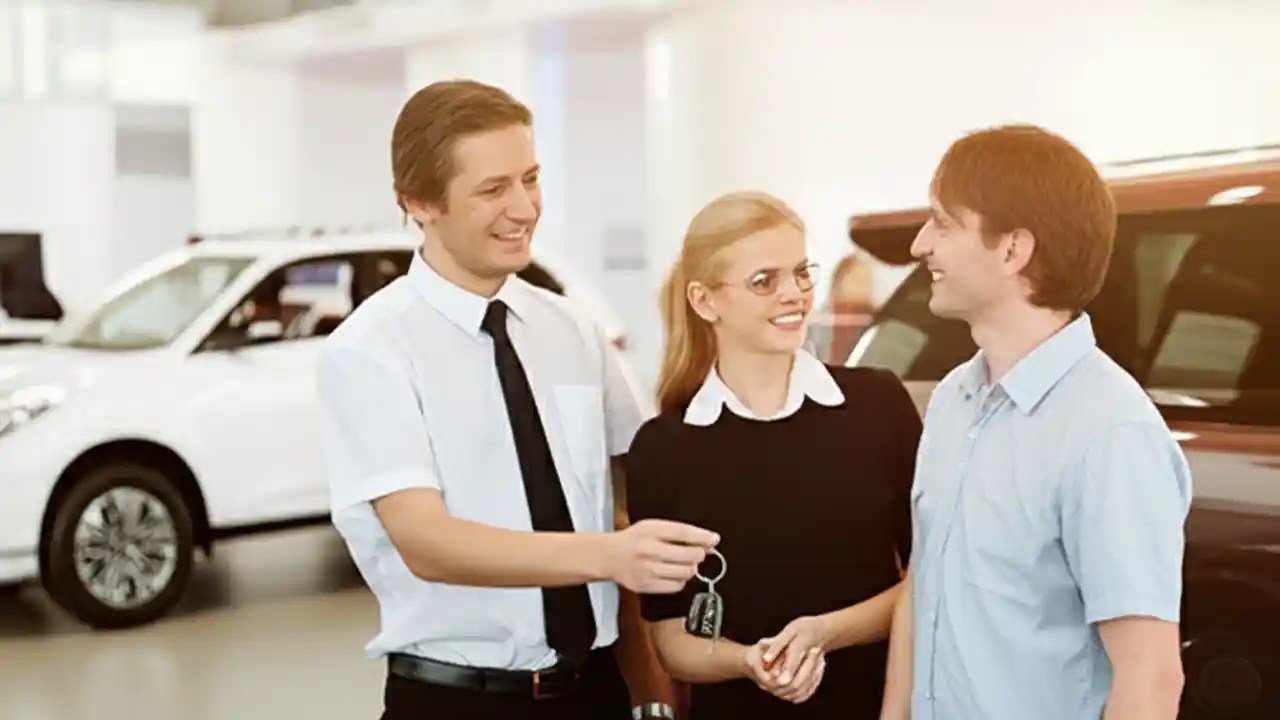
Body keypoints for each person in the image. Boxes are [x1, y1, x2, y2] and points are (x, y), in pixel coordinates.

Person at [315, 79, 719, 720]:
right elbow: (426, 542)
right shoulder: (369, 351)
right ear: (419, 201)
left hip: (595, 693)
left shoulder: (572, 329)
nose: (525, 207)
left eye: (530, 179)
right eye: (492, 189)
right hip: (457, 702)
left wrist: (650, 694)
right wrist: (609, 556)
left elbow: (635, 491)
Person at [880, 125, 1192, 720]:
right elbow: (922, 593)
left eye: (943, 224)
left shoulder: (1110, 432)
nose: (922, 245)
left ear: (1012, 250)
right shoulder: (952, 401)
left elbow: (1149, 678)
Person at [625, 191, 922, 719]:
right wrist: (749, 661)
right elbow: (671, 636)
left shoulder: (878, 407)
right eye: (765, 281)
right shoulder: (663, 449)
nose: (794, 295)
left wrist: (824, 633)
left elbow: (929, 578)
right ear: (704, 301)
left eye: (801, 273)